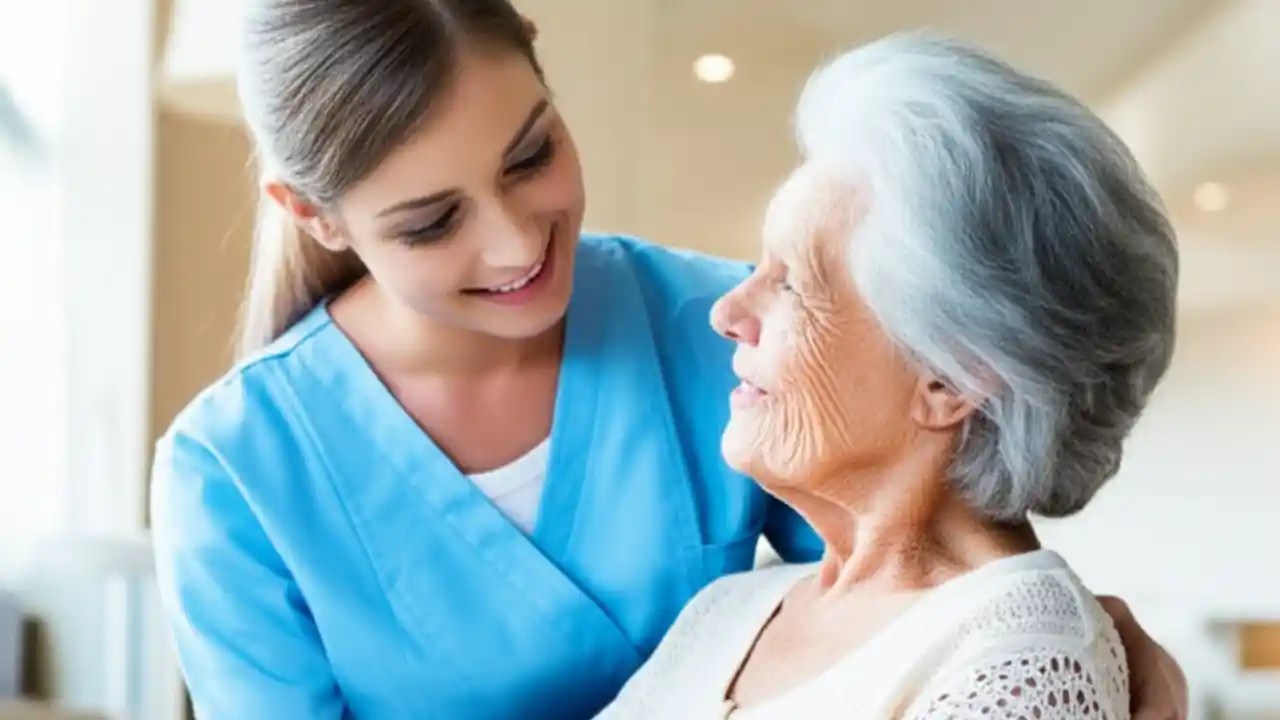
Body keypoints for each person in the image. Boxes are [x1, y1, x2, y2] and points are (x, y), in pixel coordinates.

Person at [148, 2, 1186, 719]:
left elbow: (921, 545)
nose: (516, 245)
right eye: (429, 222)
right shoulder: (234, 469)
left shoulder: (710, 327)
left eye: (530, 156)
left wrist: (1077, 660)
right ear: (313, 216)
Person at [598, 32, 1182, 719]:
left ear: (952, 378)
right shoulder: (732, 607)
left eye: (792, 286)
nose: (728, 312)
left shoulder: (1019, 662)